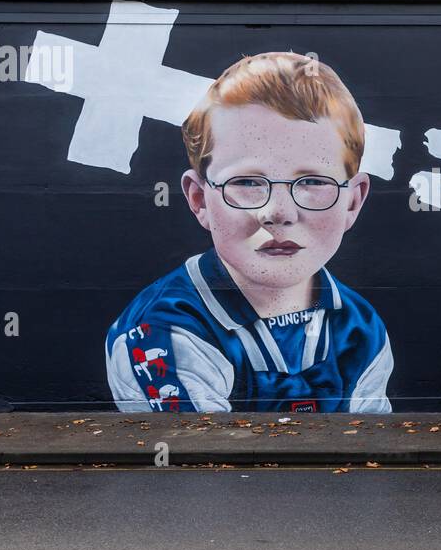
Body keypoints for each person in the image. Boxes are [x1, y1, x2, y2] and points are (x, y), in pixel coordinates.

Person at [105, 52, 392, 413]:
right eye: (247, 182)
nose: (279, 213)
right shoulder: (162, 333)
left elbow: (367, 454)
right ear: (199, 200)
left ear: (353, 201)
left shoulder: (360, 327)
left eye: (313, 181)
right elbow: (201, 465)